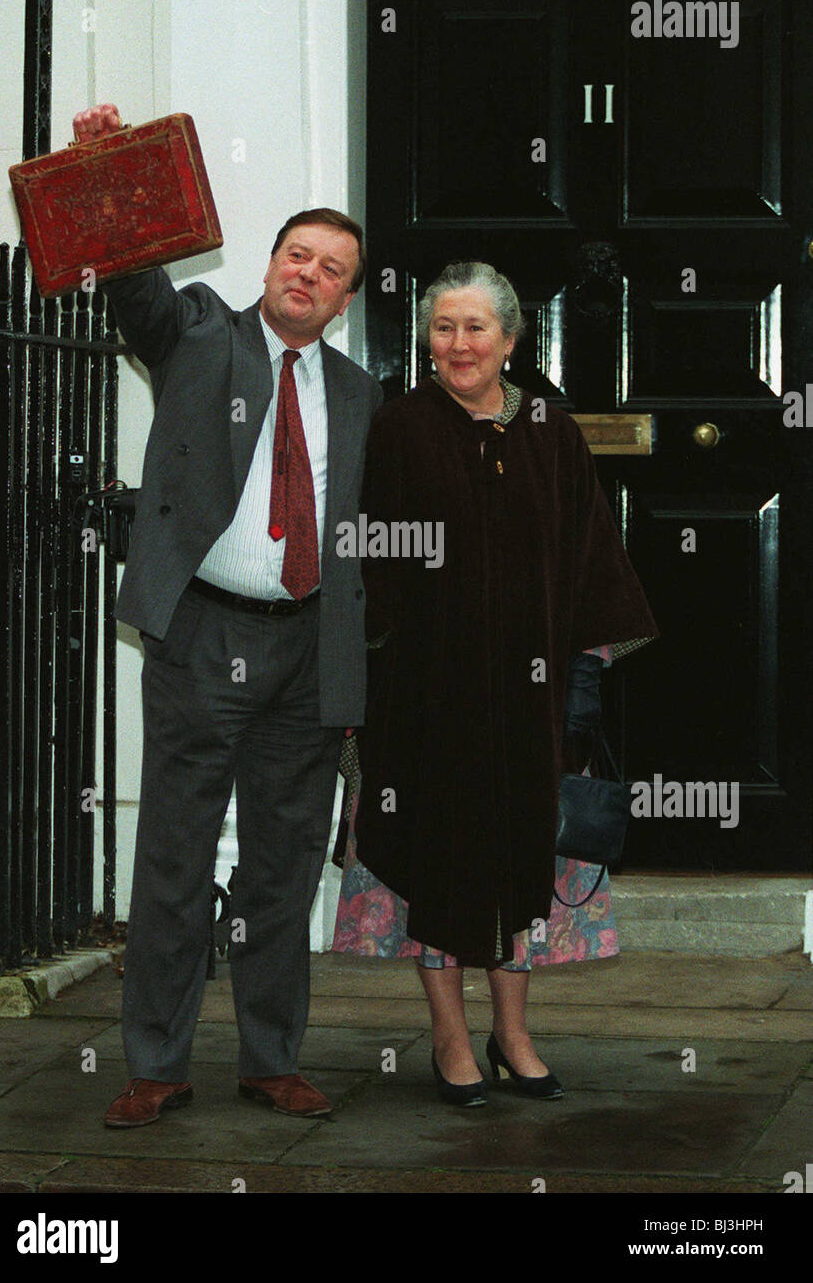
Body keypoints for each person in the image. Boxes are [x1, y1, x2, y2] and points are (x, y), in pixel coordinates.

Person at [71, 104, 383, 1126]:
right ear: (270, 262)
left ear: (345, 295)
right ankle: (156, 1062)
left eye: (330, 266)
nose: (307, 273)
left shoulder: (360, 392)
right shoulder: (200, 331)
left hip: (308, 648)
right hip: (204, 638)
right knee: (173, 856)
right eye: (296, 254)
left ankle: (269, 1057)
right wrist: (110, 168)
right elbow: (137, 297)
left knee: (282, 870)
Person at [332, 261, 658, 1106]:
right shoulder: (403, 426)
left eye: (477, 327)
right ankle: (449, 1039)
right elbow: (376, 559)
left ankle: (513, 1035)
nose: (459, 344)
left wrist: (582, 675)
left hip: (532, 699)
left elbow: (591, 556)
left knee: (524, 858)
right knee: (440, 858)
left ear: (511, 339)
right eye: (443, 327)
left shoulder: (550, 429)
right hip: (426, 697)